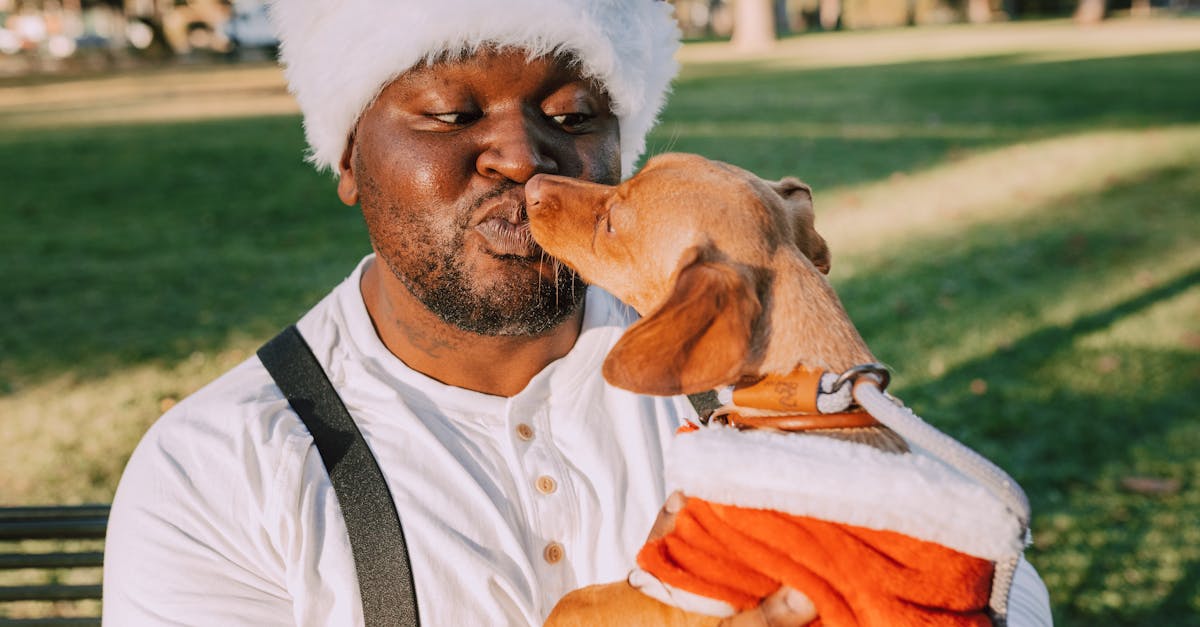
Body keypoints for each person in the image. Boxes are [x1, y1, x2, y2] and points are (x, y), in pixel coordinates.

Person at [102, 1, 1053, 625]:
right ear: (348, 157)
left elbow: (997, 594)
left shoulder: (744, 362)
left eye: (576, 113)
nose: (523, 155)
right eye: (449, 113)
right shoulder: (221, 471)